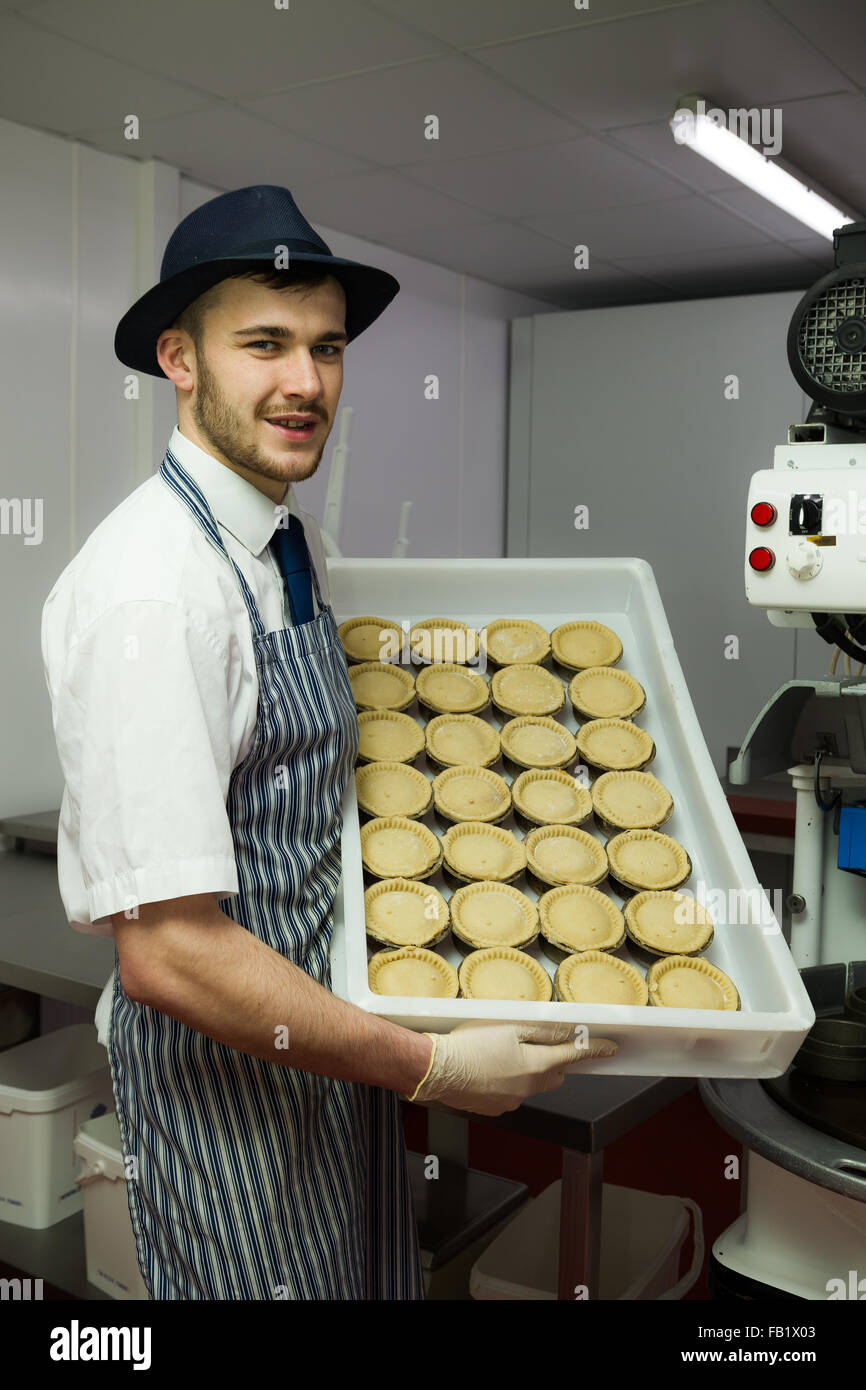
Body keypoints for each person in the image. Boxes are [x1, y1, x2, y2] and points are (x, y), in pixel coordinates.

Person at [40, 184, 618, 1301]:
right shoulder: (152, 591)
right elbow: (168, 953)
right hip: (227, 1092)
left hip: (327, 1046)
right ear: (180, 358)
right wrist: (432, 1063)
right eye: (262, 344)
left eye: (325, 347)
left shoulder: (280, 538)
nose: (304, 382)